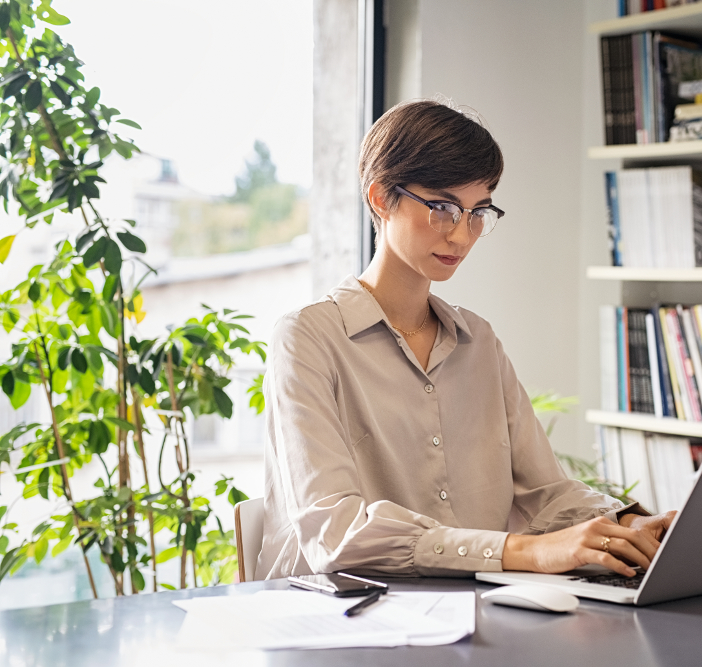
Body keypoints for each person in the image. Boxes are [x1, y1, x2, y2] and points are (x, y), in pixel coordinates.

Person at [255, 99, 676, 581]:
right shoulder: (306, 339)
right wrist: (528, 552)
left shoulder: (479, 342)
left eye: (478, 212)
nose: (461, 234)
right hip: (342, 624)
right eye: (441, 207)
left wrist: (631, 525)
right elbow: (337, 534)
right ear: (379, 198)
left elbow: (547, 493)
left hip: (471, 615)